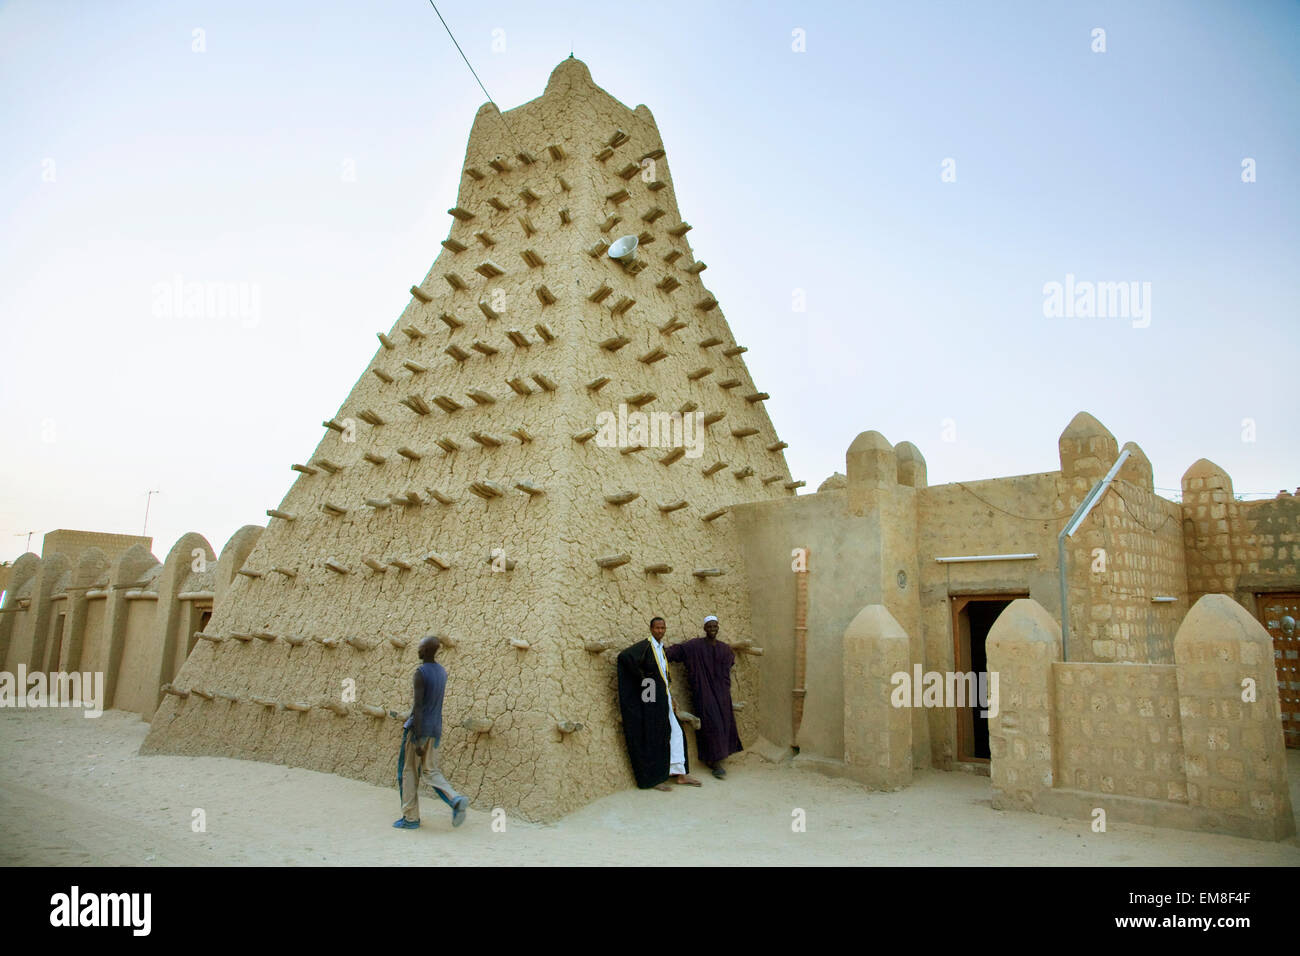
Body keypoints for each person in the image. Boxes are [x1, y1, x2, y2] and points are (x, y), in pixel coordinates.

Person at [616, 617, 701, 791]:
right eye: (657, 628)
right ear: (651, 629)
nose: (660, 631)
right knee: (654, 734)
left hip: (664, 696)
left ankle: (680, 773)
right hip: (653, 697)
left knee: (676, 732)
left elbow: (663, 675)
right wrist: (646, 684)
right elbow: (624, 657)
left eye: (663, 628)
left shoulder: (660, 649)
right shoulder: (645, 646)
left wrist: (670, 697)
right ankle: (654, 778)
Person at [394, 635, 469, 829]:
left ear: (426, 651)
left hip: (418, 729)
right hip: (435, 728)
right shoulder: (442, 672)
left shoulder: (420, 672)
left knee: (409, 772)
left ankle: (410, 818)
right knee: (431, 770)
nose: (418, 650)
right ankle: (455, 799)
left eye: (420, 647)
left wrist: (417, 739)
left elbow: (418, 707)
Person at [666, 615, 742, 779]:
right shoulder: (695, 646)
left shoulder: (724, 648)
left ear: (718, 627)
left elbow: (730, 662)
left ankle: (720, 756)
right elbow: (677, 651)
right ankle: (714, 761)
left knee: (723, 723)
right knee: (711, 723)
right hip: (704, 693)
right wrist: (660, 652)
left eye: (715, 626)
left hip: (722, 693)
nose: (712, 628)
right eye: (709, 626)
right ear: (704, 628)